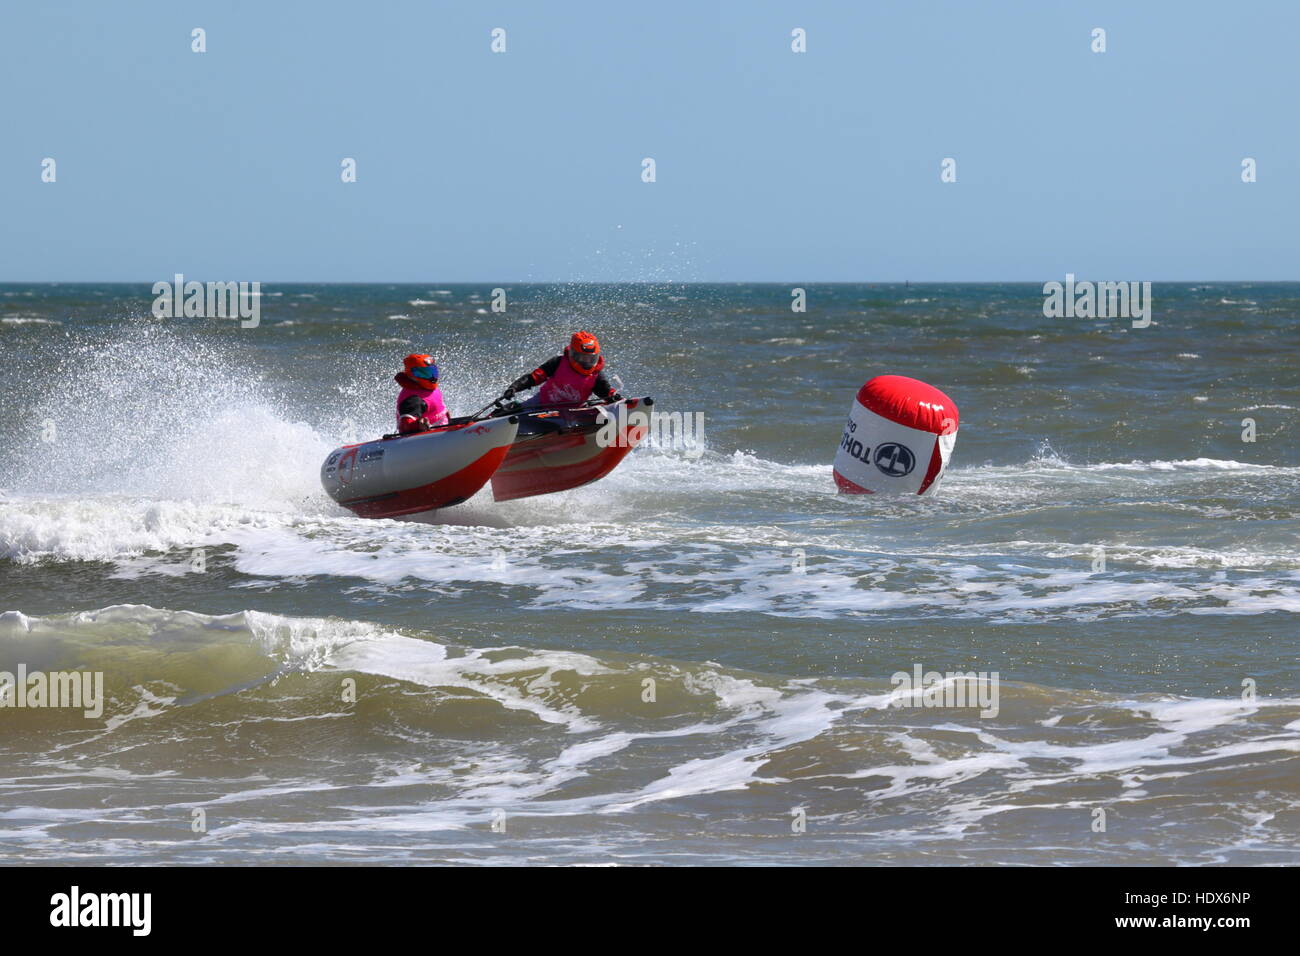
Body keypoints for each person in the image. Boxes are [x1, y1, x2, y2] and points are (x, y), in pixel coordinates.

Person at [501, 331, 621, 408]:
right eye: (582, 358)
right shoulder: (558, 362)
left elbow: (606, 392)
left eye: (590, 359)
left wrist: (617, 399)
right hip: (541, 404)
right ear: (573, 354)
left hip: (572, 411)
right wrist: (514, 388)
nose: (586, 362)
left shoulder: (596, 375)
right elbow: (533, 378)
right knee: (513, 410)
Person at [395, 354, 450, 434]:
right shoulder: (413, 399)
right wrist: (418, 426)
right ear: (412, 375)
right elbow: (405, 427)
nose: (431, 377)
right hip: (428, 440)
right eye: (424, 373)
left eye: (432, 372)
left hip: (444, 432)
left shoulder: (427, 388)